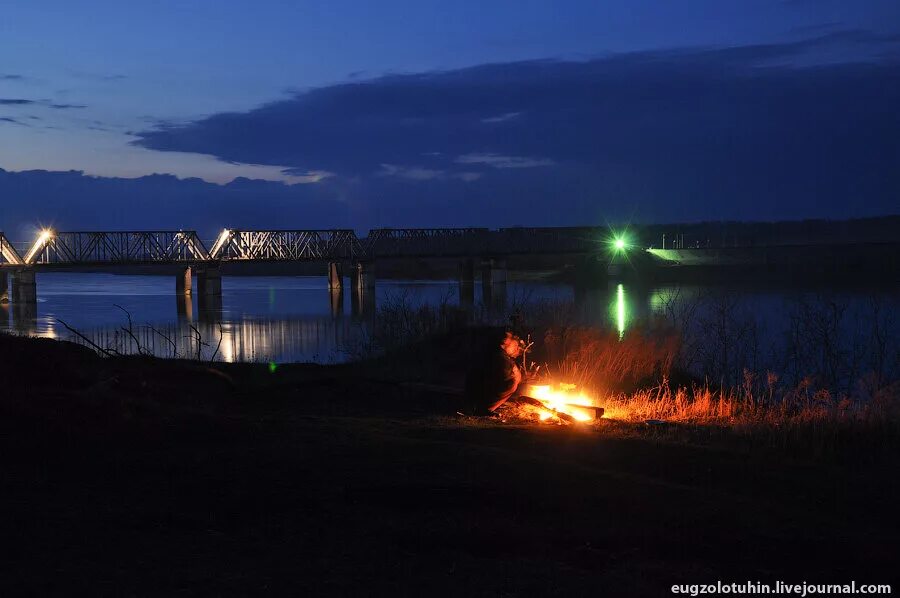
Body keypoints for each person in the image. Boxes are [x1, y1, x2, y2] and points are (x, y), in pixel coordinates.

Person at [464, 331, 524, 416]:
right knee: (513, 382)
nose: (516, 349)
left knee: (513, 380)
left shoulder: (494, 352)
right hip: (480, 390)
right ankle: (484, 409)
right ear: (505, 343)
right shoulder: (500, 357)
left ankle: (482, 406)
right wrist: (517, 373)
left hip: (477, 389)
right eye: (515, 346)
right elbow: (505, 378)